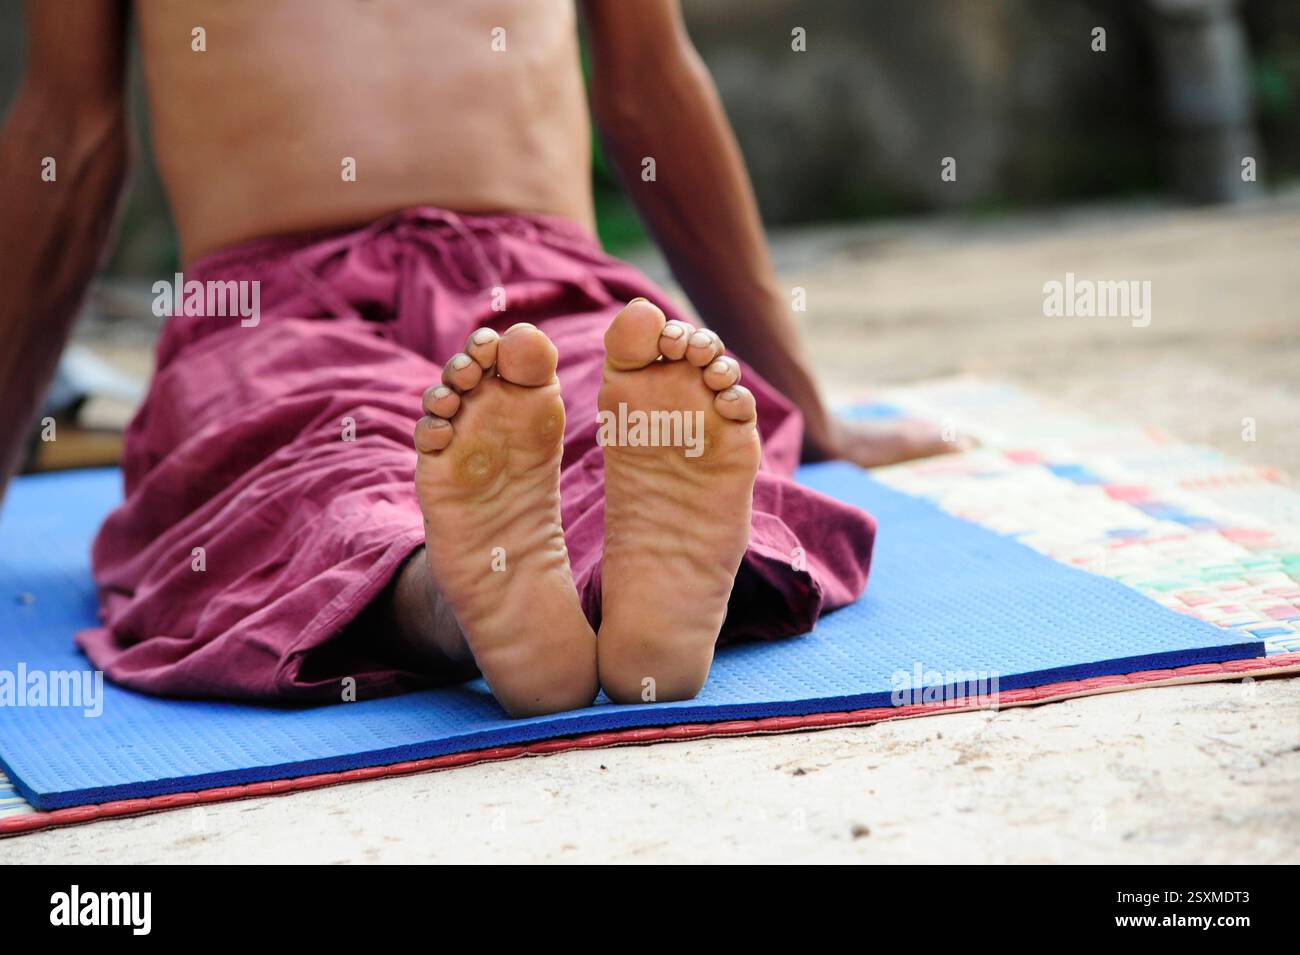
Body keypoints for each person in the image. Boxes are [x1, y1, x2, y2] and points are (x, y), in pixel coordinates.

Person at [0, 0, 954, 716]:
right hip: (278, 304)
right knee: (306, 462)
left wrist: (805, 408)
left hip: (539, 282)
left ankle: (581, 591)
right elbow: (68, 140)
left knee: (622, 413)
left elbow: (650, 87)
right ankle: (488, 595)